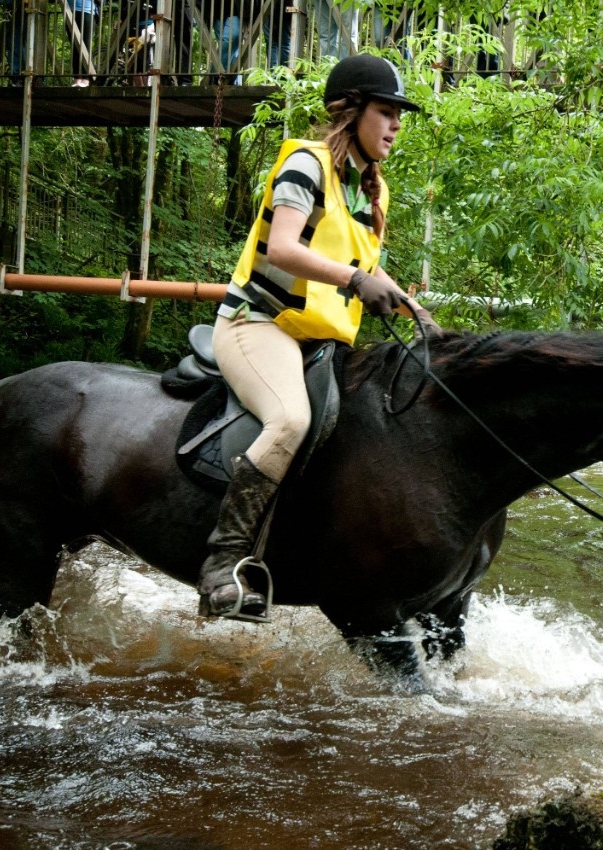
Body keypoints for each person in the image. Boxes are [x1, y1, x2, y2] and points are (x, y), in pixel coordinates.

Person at [197, 54, 436, 620]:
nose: (396, 125)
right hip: (257, 325)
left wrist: (417, 313)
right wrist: (355, 279)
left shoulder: (369, 191)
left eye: (400, 115)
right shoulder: (307, 164)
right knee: (290, 421)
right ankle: (222, 564)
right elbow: (282, 248)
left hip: (317, 341)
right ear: (351, 112)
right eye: (387, 112)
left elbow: (363, 266)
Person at [66, 0, 100, 87]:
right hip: (69, 10)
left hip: (87, 10)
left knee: (85, 45)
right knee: (75, 46)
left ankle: (86, 79)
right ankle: (77, 78)